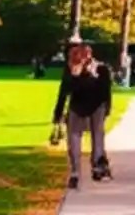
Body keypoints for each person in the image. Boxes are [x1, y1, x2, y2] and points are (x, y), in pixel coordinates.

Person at [52, 43, 113, 189]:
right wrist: (58, 111)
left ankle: (96, 165)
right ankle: (76, 171)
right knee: (77, 137)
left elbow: (105, 90)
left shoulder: (101, 69)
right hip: (79, 107)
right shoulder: (71, 71)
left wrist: (106, 107)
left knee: (95, 135)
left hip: (95, 106)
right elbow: (64, 91)